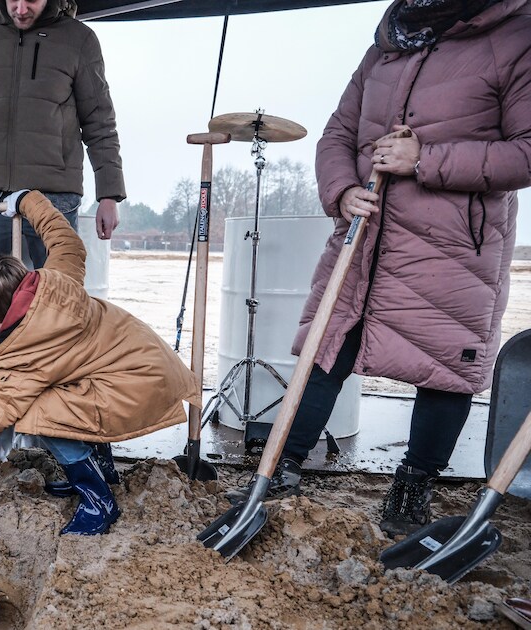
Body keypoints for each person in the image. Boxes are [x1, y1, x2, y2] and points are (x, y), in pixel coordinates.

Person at [227, 0, 531, 538]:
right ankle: (281, 467)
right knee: (328, 345)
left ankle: (413, 486)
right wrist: (341, 190)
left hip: (454, 244)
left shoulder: (515, 37)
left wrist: (426, 160)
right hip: (364, 237)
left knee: (443, 361)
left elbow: (526, 153)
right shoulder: (389, 43)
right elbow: (337, 134)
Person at [0, 190, 199, 536]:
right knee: (65, 392)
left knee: (36, 412)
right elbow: (66, 242)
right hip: (140, 363)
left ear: (7, 314)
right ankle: (102, 470)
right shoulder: (53, 281)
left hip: (138, 385)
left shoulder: (28, 355)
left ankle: (99, 500)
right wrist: (27, 201)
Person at [0, 0, 125, 422]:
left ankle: (44, 412)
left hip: (53, 194)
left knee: (50, 303)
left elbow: (99, 120)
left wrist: (109, 192)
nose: (21, 8)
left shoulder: (80, 40)